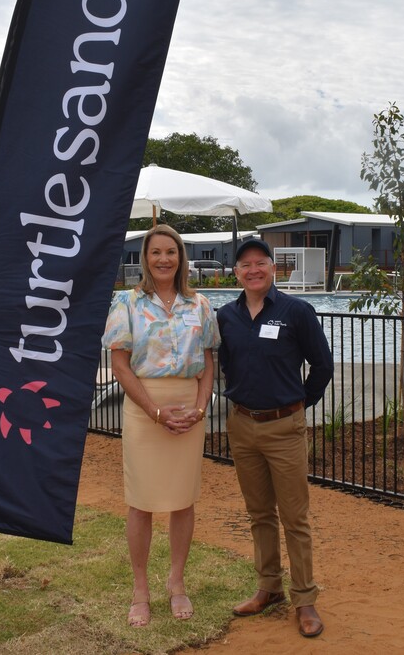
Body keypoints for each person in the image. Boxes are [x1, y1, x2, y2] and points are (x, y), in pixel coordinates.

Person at [103, 225, 220, 628]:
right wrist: (154, 411)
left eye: (171, 251)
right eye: (156, 252)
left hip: (189, 412)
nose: (164, 259)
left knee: (183, 499)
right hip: (144, 410)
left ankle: (177, 581)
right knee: (142, 501)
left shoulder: (200, 304)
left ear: (181, 257)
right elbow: (120, 366)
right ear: (145, 258)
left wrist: (200, 408)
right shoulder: (126, 303)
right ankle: (140, 589)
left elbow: (208, 362)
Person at [216, 238, 333, 638]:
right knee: (259, 514)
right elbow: (227, 365)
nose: (253, 270)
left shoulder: (295, 311)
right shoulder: (226, 316)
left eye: (260, 263)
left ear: (272, 268)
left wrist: (299, 403)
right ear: (237, 273)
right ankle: (269, 588)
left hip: (285, 428)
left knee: (294, 517)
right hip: (242, 426)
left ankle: (305, 599)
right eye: (245, 265)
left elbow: (322, 365)